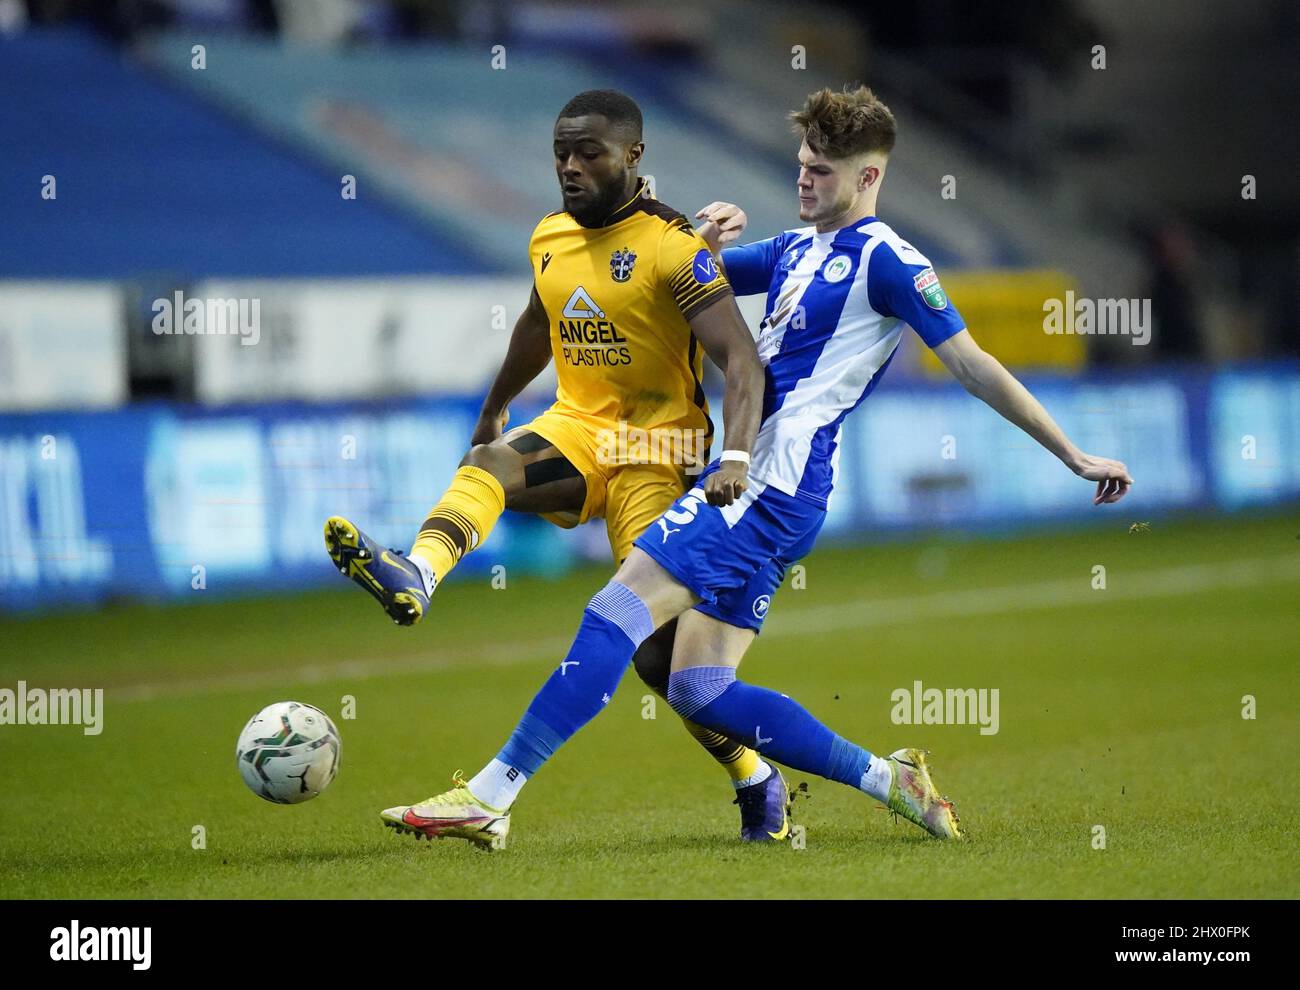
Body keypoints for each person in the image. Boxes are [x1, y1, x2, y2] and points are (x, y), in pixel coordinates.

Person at [376, 85, 1134, 848]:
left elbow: (973, 365)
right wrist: (699, 235)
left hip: (769, 482)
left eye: (823, 172)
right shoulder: (792, 251)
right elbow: (666, 279)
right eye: (802, 166)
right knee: (698, 688)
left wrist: (1071, 453)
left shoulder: (892, 263)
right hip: (760, 486)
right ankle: (889, 778)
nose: (804, 180)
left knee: (614, 613)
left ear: (868, 178)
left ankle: (490, 794)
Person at [325, 89, 792, 842]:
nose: (570, 168)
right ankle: (418, 571)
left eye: (588, 154)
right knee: (489, 463)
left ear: (633, 155)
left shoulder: (676, 245)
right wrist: (495, 403)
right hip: (577, 427)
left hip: (657, 449)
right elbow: (539, 323)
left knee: (661, 665)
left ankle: (754, 774)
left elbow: (741, 359)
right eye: (560, 155)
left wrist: (734, 453)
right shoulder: (548, 235)